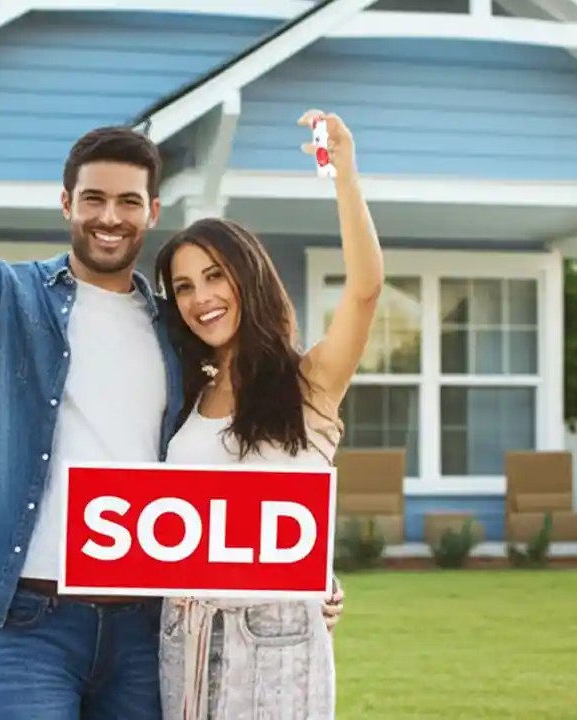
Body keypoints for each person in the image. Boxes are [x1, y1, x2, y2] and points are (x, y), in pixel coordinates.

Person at [0, 125, 343, 720]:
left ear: (152, 211)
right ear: (67, 203)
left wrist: (297, 577)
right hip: (34, 619)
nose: (110, 217)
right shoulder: (9, 297)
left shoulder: (179, 331)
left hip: (146, 624)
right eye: (93, 199)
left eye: (128, 202)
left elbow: (233, 462)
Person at [152, 109, 383, 719]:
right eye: (183, 287)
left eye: (214, 276)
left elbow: (364, 292)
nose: (201, 298)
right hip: (182, 637)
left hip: (274, 645)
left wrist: (344, 171)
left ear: (247, 276)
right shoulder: (184, 397)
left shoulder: (308, 382)